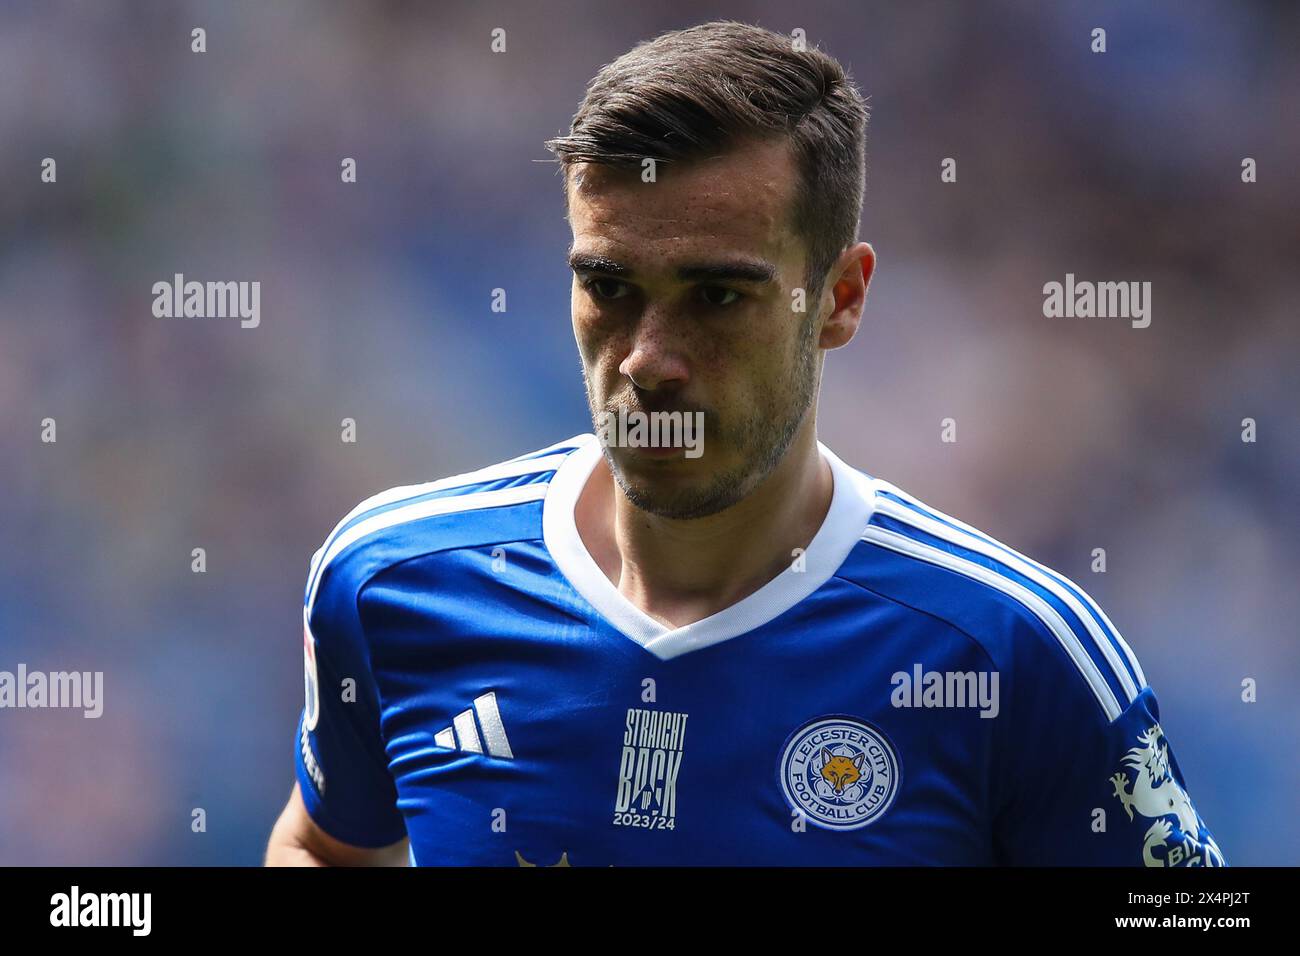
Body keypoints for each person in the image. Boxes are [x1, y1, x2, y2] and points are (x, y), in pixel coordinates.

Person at [266, 20, 1223, 866]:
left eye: (717, 296)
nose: (647, 361)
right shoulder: (394, 580)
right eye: (608, 286)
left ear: (840, 299)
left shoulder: (1013, 657)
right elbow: (322, 843)